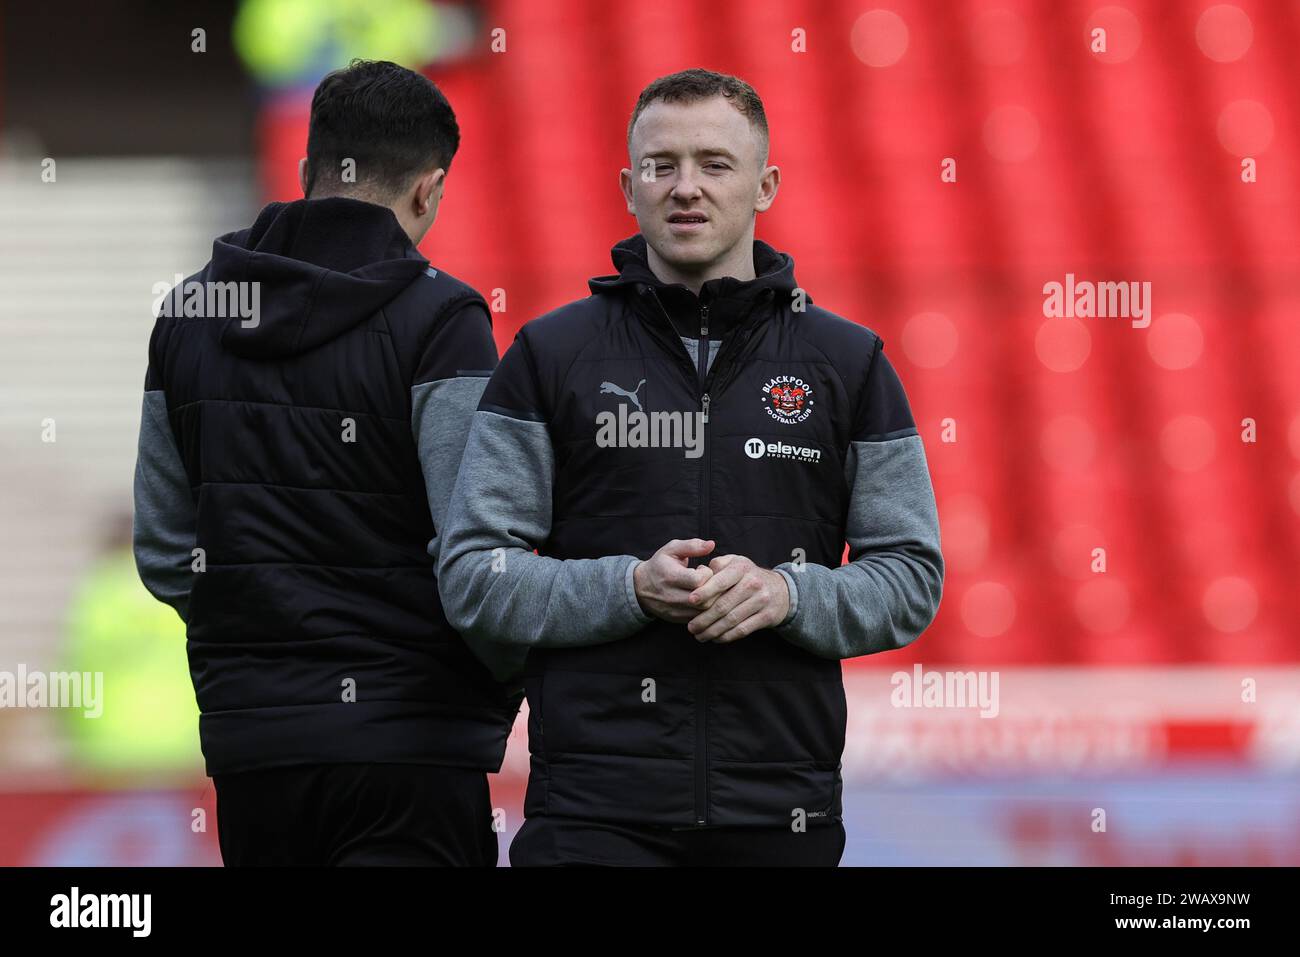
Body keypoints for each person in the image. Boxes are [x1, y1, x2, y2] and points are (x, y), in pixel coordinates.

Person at [437, 68, 944, 866]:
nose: (685, 189)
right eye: (660, 165)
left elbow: (911, 575)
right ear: (627, 186)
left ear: (765, 184)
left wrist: (787, 593)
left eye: (715, 163)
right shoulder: (551, 354)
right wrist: (626, 588)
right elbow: (472, 574)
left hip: (781, 813)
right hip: (591, 814)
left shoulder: (847, 362)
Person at [132, 58, 523, 866]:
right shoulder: (443, 317)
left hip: (255, 753)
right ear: (429, 192)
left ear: (310, 169)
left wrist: (260, 637)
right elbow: (474, 553)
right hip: (412, 749)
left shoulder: (190, 313)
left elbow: (167, 552)